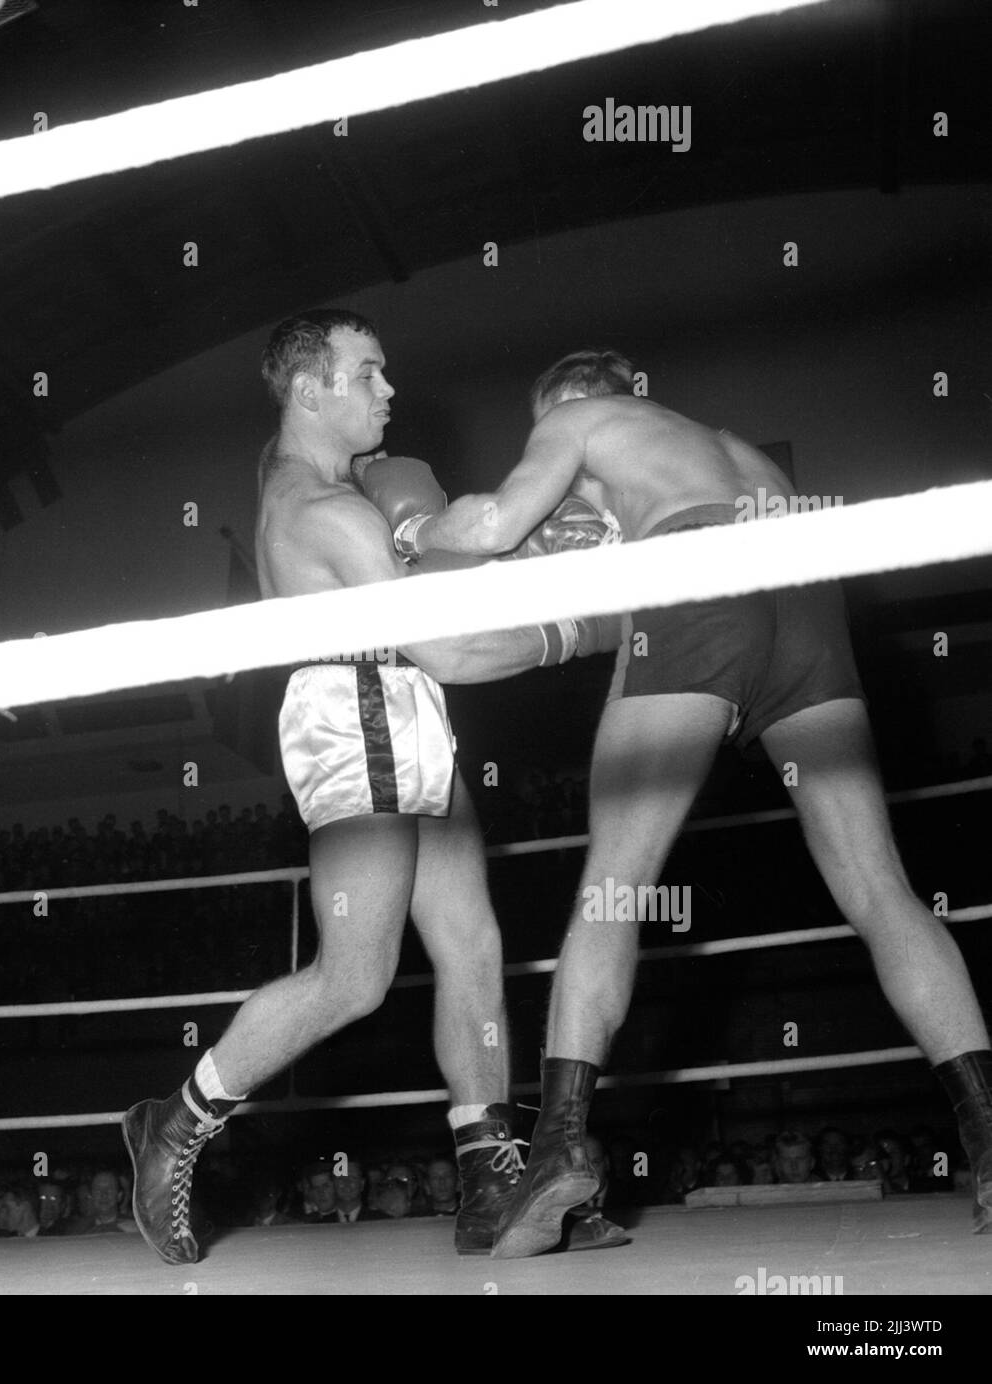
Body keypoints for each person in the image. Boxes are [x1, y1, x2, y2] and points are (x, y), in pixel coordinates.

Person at [397, 347, 992, 1254]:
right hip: (807, 607)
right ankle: (989, 1143)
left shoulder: (575, 422)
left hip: (699, 581)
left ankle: (558, 1146)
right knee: (880, 890)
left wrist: (416, 532)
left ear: (566, 405)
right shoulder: (727, 449)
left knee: (615, 883)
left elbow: (489, 523)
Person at [124, 308, 584, 1266]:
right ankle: (177, 1120)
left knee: (472, 940)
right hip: (358, 709)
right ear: (309, 390)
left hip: (398, 703)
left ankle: (489, 1178)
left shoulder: (318, 482)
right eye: (367, 373)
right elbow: (452, 649)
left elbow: (369, 518)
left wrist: (414, 513)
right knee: (358, 976)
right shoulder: (323, 514)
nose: (389, 390)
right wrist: (571, 631)